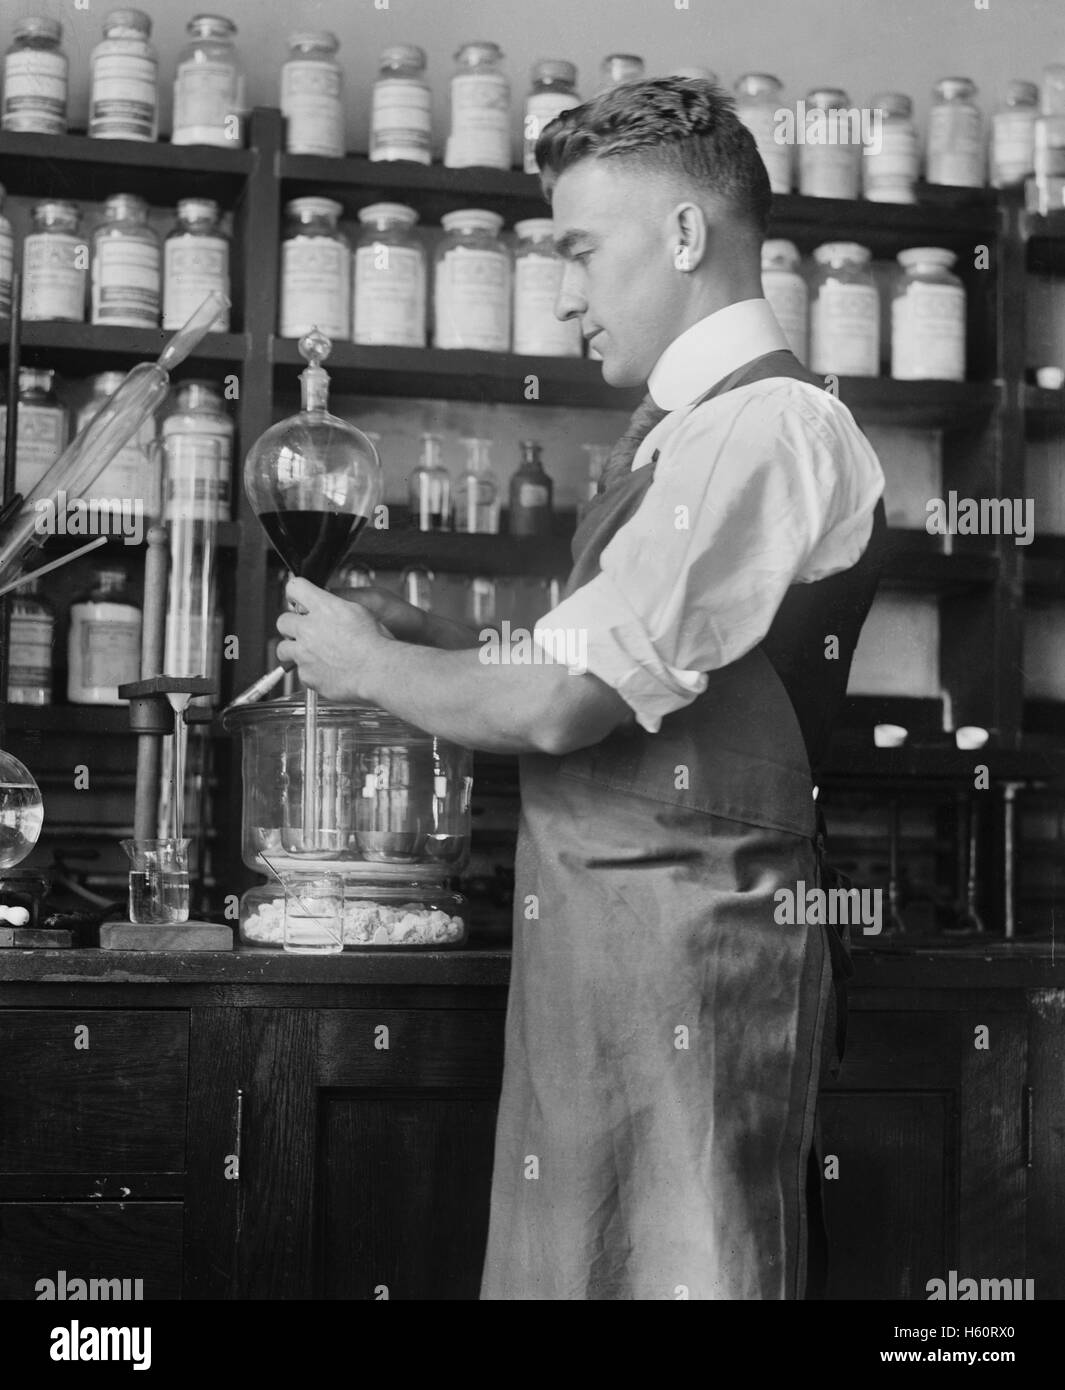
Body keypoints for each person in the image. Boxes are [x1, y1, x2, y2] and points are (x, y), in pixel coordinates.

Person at [275, 78, 886, 1301]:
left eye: (580, 250)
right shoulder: (683, 433)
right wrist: (431, 633)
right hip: (608, 951)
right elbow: (607, 657)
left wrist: (370, 666)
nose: (564, 295)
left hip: (690, 957)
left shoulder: (765, 427)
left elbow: (566, 706)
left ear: (682, 236)